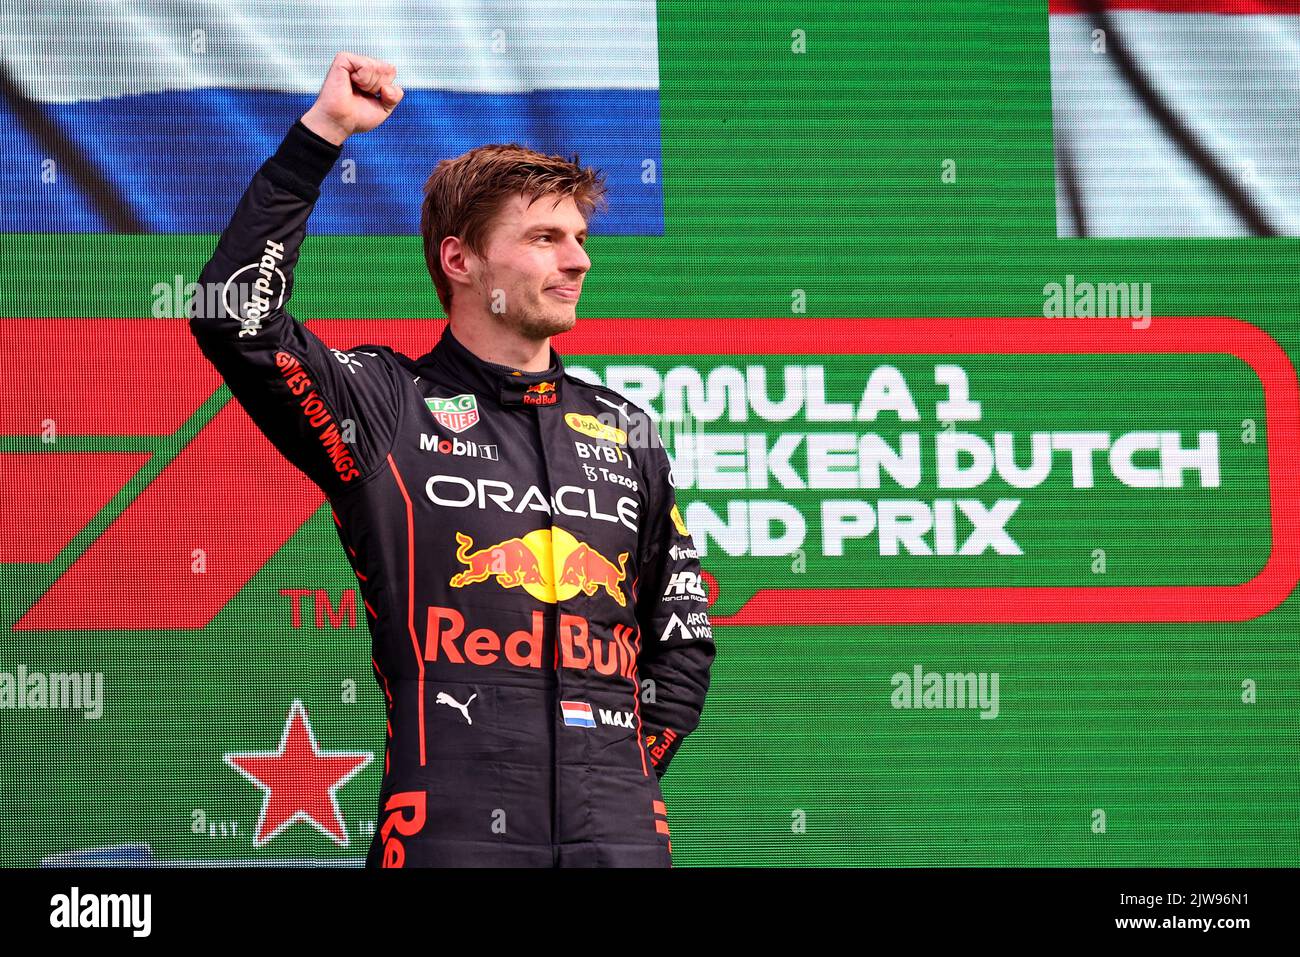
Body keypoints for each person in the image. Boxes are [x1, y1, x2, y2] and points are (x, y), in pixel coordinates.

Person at [188, 52, 715, 867]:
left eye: (578, 238)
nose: (578, 261)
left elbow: (681, 638)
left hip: (618, 838)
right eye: (544, 238)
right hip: (448, 834)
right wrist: (322, 135)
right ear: (461, 261)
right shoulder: (385, 402)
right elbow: (234, 319)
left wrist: (615, 779)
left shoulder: (626, 427)